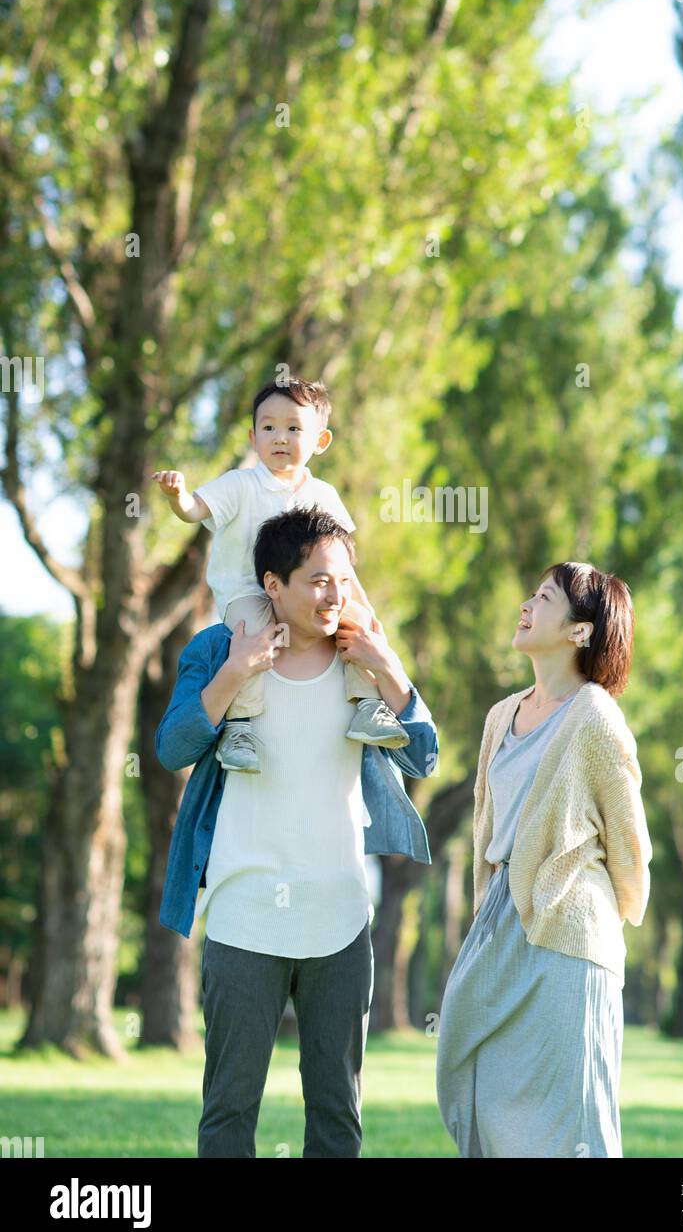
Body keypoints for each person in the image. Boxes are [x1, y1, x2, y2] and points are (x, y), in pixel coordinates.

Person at [155, 505, 438, 1157]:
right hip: (242, 917)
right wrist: (237, 673)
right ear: (272, 585)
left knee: (336, 1113)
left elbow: (422, 757)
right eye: (316, 580)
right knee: (228, 1109)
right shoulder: (218, 648)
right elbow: (172, 747)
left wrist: (390, 670)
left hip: (340, 920)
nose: (334, 595)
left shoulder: (360, 666)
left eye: (342, 580)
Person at [435, 560, 652, 1158]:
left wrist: (615, 915)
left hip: (571, 928)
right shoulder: (500, 716)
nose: (526, 605)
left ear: (580, 631)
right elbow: (486, 824)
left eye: (544, 597)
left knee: (572, 1118)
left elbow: (630, 840)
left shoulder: (595, 717)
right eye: (531, 593)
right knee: (468, 1070)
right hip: (501, 917)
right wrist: (490, 909)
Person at [152, 375, 410, 773]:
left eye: (293, 428)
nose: (280, 437)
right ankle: (240, 726)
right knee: (254, 639)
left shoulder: (324, 495)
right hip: (247, 593)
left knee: (360, 626)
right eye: (269, 427)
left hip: (311, 596)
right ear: (253, 438)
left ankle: (369, 706)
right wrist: (177, 496)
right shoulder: (240, 484)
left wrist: (362, 606)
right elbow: (193, 511)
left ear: (320, 442)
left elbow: (340, 563)